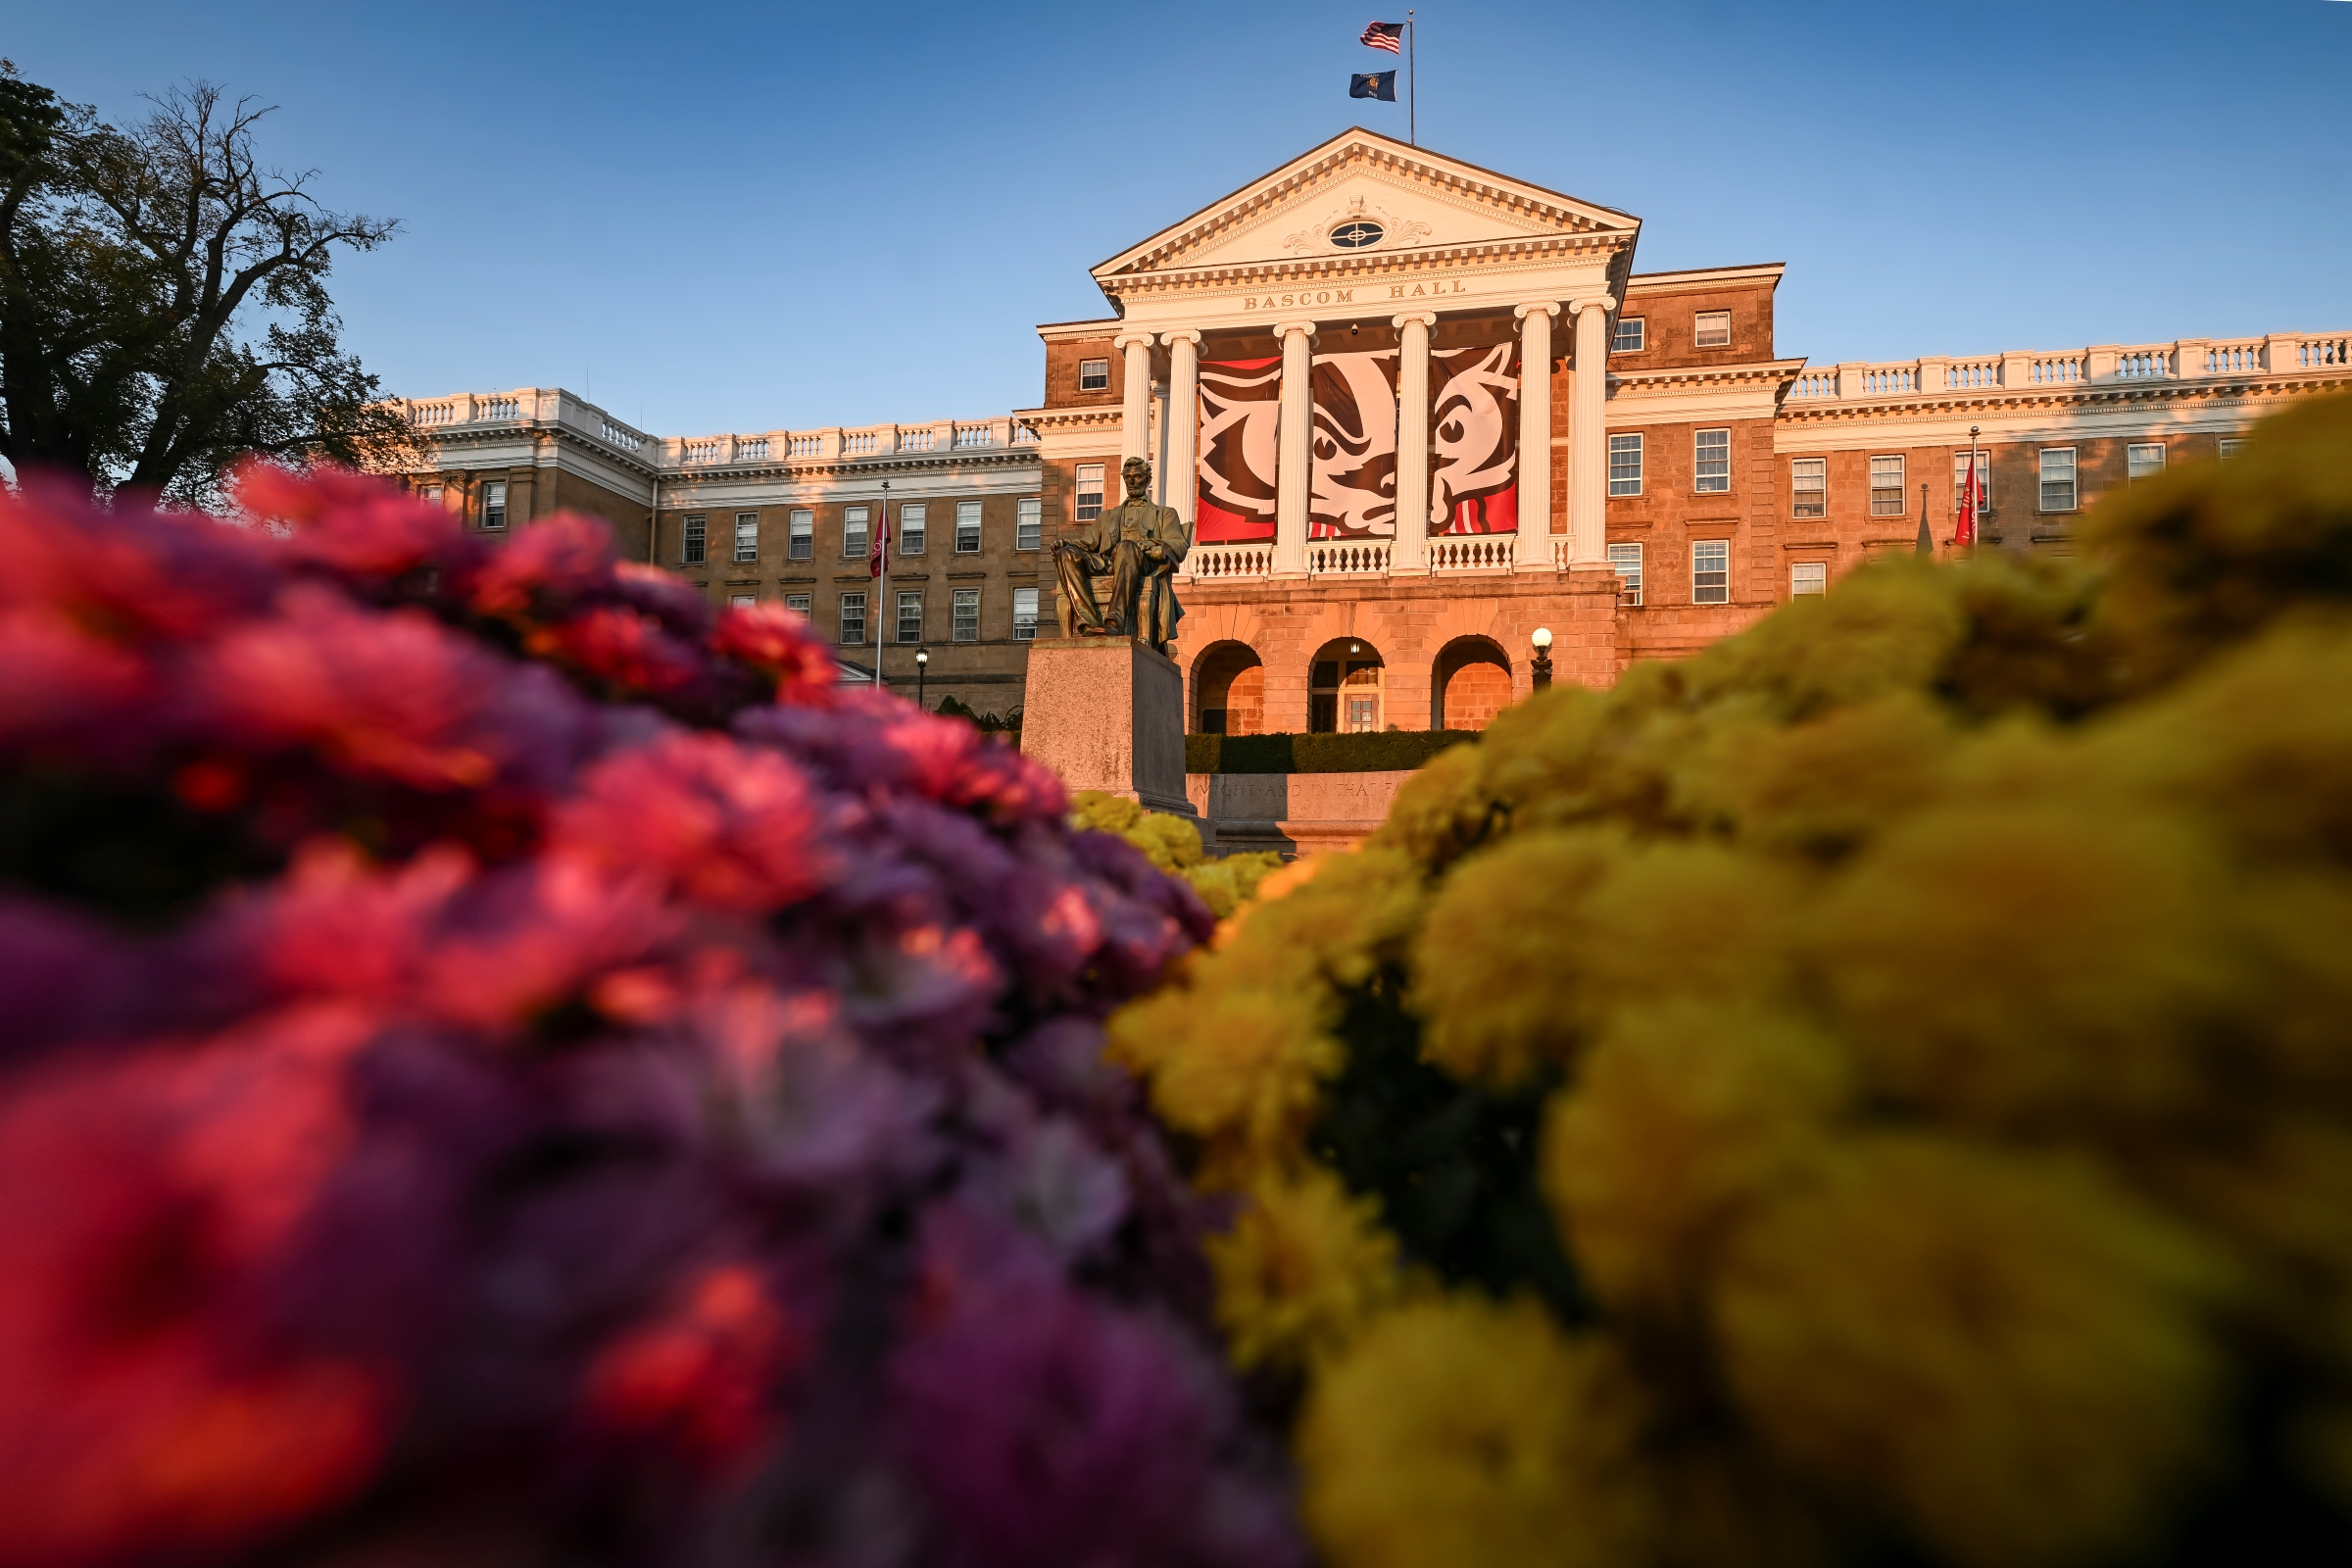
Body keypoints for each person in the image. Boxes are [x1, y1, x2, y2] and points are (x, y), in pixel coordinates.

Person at [1054, 455, 1190, 653]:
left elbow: (1178, 545)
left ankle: (1115, 620)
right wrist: (1066, 544)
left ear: (1147, 479)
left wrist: (1150, 547)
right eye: (1128, 477)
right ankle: (1088, 621)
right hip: (1107, 564)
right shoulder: (1106, 516)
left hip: (1143, 565)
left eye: (1137, 476)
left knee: (1126, 546)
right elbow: (1086, 544)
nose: (1132, 481)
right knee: (1066, 554)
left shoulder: (1165, 513)